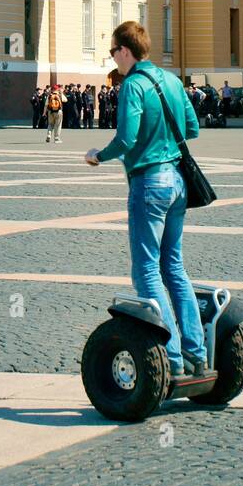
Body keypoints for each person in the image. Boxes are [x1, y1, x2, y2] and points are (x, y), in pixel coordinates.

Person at [84, 20, 211, 384]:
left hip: (150, 183)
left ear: (125, 50)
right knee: (175, 267)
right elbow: (192, 128)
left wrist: (98, 156)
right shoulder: (171, 80)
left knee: (146, 271)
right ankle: (196, 354)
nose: (114, 59)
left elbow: (125, 139)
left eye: (113, 52)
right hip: (178, 182)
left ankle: (170, 357)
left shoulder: (133, 86)